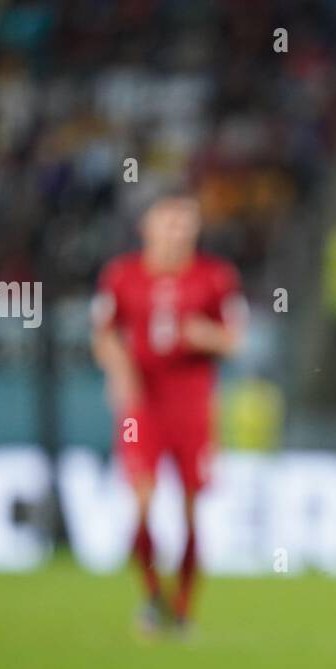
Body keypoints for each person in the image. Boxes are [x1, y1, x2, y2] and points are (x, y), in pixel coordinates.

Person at [91, 192, 246, 637]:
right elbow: (103, 335)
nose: (177, 232)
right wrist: (119, 372)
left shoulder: (215, 277)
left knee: (192, 509)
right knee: (141, 503)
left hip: (193, 404)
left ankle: (182, 608)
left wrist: (206, 335)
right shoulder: (121, 276)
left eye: (185, 224)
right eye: (169, 223)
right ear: (148, 227)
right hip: (143, 405)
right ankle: (151, 594)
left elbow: (234, 339)